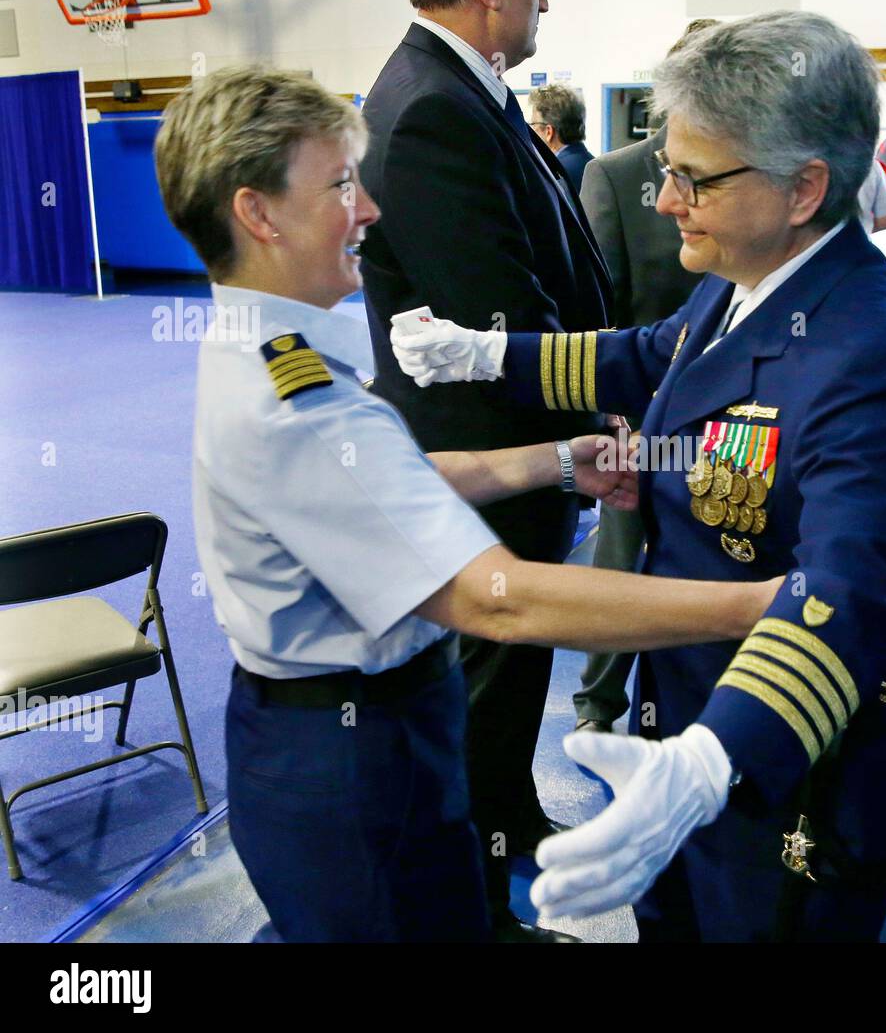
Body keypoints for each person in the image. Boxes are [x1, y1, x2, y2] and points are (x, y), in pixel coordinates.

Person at [154, 64, 780, 943]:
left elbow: (387, 489)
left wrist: (555, 461)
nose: (369, 210)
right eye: (340, 186)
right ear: (257, 213)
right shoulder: (291, 401)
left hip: (370, 725)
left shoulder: (277, 351)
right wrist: (754, 608)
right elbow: (501, 598)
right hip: (347, 752)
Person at [393, 11, 886, 942]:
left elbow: (849, 597)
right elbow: (655, 355)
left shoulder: (868, 351)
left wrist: (712, 760)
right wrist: (489, 357)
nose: (663, 199)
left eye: (692, 178)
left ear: (805, 186)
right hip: (683, 713)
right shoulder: (748, 277)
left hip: (778, 764)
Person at [357, 0, 614, 941]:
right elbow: (499, 315)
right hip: (488, 456)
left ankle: (504, 819)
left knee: (509, 685)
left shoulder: (466, 92)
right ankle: (476, 915)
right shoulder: (429, 108)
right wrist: (595, 418)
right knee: (486, 685)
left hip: (514, 448)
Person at [569, 19, 720, 735]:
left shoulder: (771, 176)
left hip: (745, 426)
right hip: (647, 411)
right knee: (621, 561)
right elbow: (599, 308)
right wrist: (614, 410)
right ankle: (598, 705)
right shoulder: (619, 175)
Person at [529, 83, 594, 195]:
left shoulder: (552, 174)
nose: (531, 132)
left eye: (533, 125)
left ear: (549, 131)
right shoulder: (593, 164)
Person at [857, 158, 886, 234]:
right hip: (859, 241)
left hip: (830, 243)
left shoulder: (829, 164)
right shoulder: (872, 165)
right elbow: (883, 222)